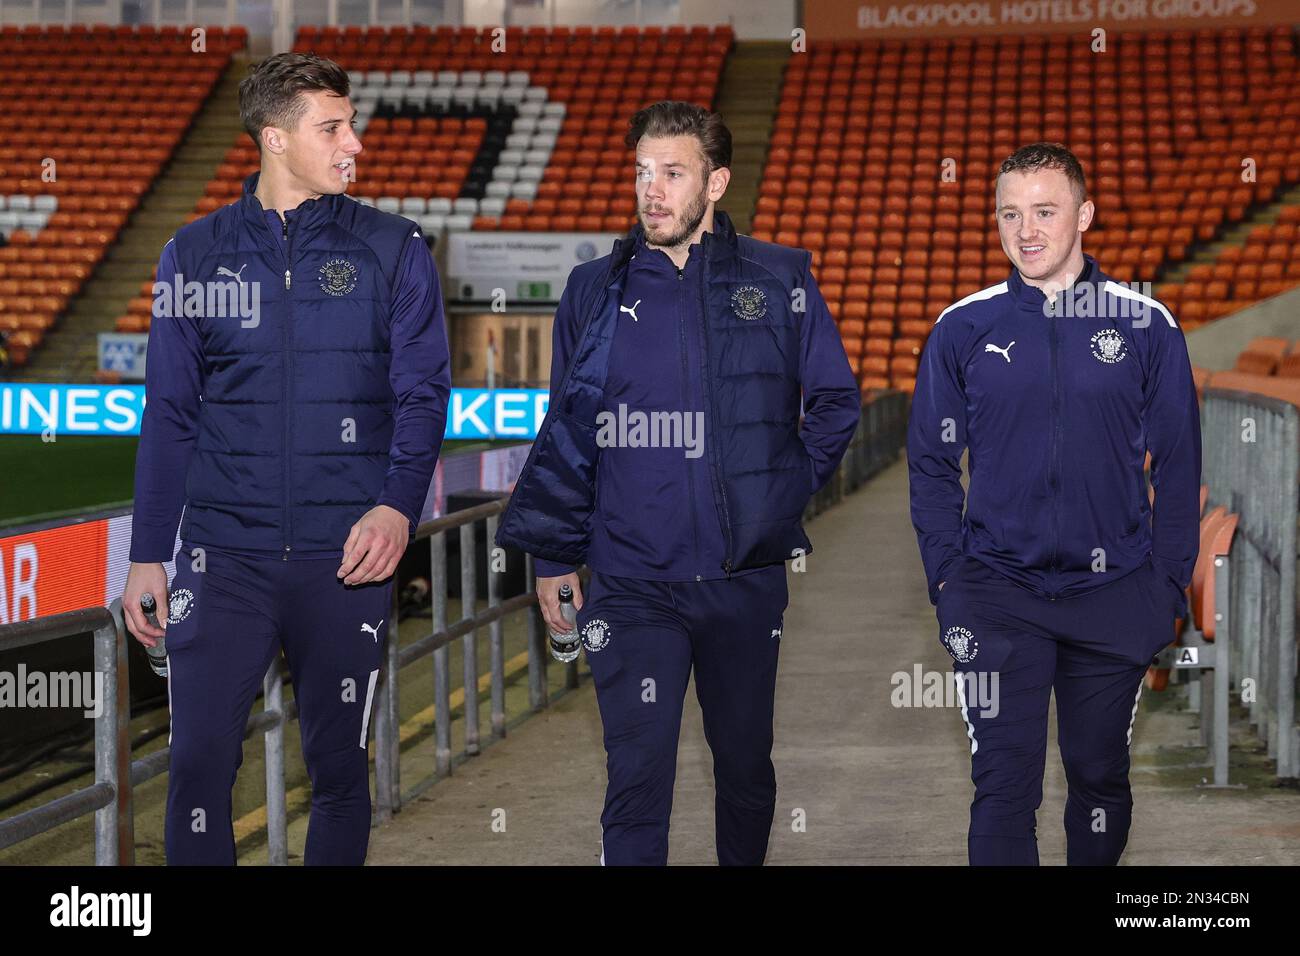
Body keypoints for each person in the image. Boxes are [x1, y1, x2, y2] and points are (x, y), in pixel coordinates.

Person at [495, 101, 862, 865]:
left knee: (745, 772)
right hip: (630, 582)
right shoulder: (592, 289)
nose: (650, 190)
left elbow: (834, 402)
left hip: (743, 580)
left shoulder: (779, 276)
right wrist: (554, 559)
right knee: (635, 778)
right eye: (640, 172)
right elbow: (565, 432)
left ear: (716, 181)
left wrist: (779, 492)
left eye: (671, 172)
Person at [122, 52, 451, 865]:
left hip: (347, 561)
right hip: (221, 560)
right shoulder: (192, 255)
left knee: (338, 769)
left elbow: (424, 395)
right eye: (332, 127)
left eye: (351, 123)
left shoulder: (393, 247)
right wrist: (147, 555)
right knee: (198, 766)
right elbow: (169, 412)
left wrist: (395, 505)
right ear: (274, 138)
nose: (355, 144)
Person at [908, 142, 1201, 865]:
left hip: (1115, 593)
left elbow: (1181, 461)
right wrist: (949, 579)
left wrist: (1164, 586)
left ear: (1085, 216)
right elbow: (931, 465)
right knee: (1003, 787)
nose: (1026, 230)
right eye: (1010, 213)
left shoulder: (1145, 324)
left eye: (1045, 211)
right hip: (996, 593)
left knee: (1098, 778)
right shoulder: (963, 328)